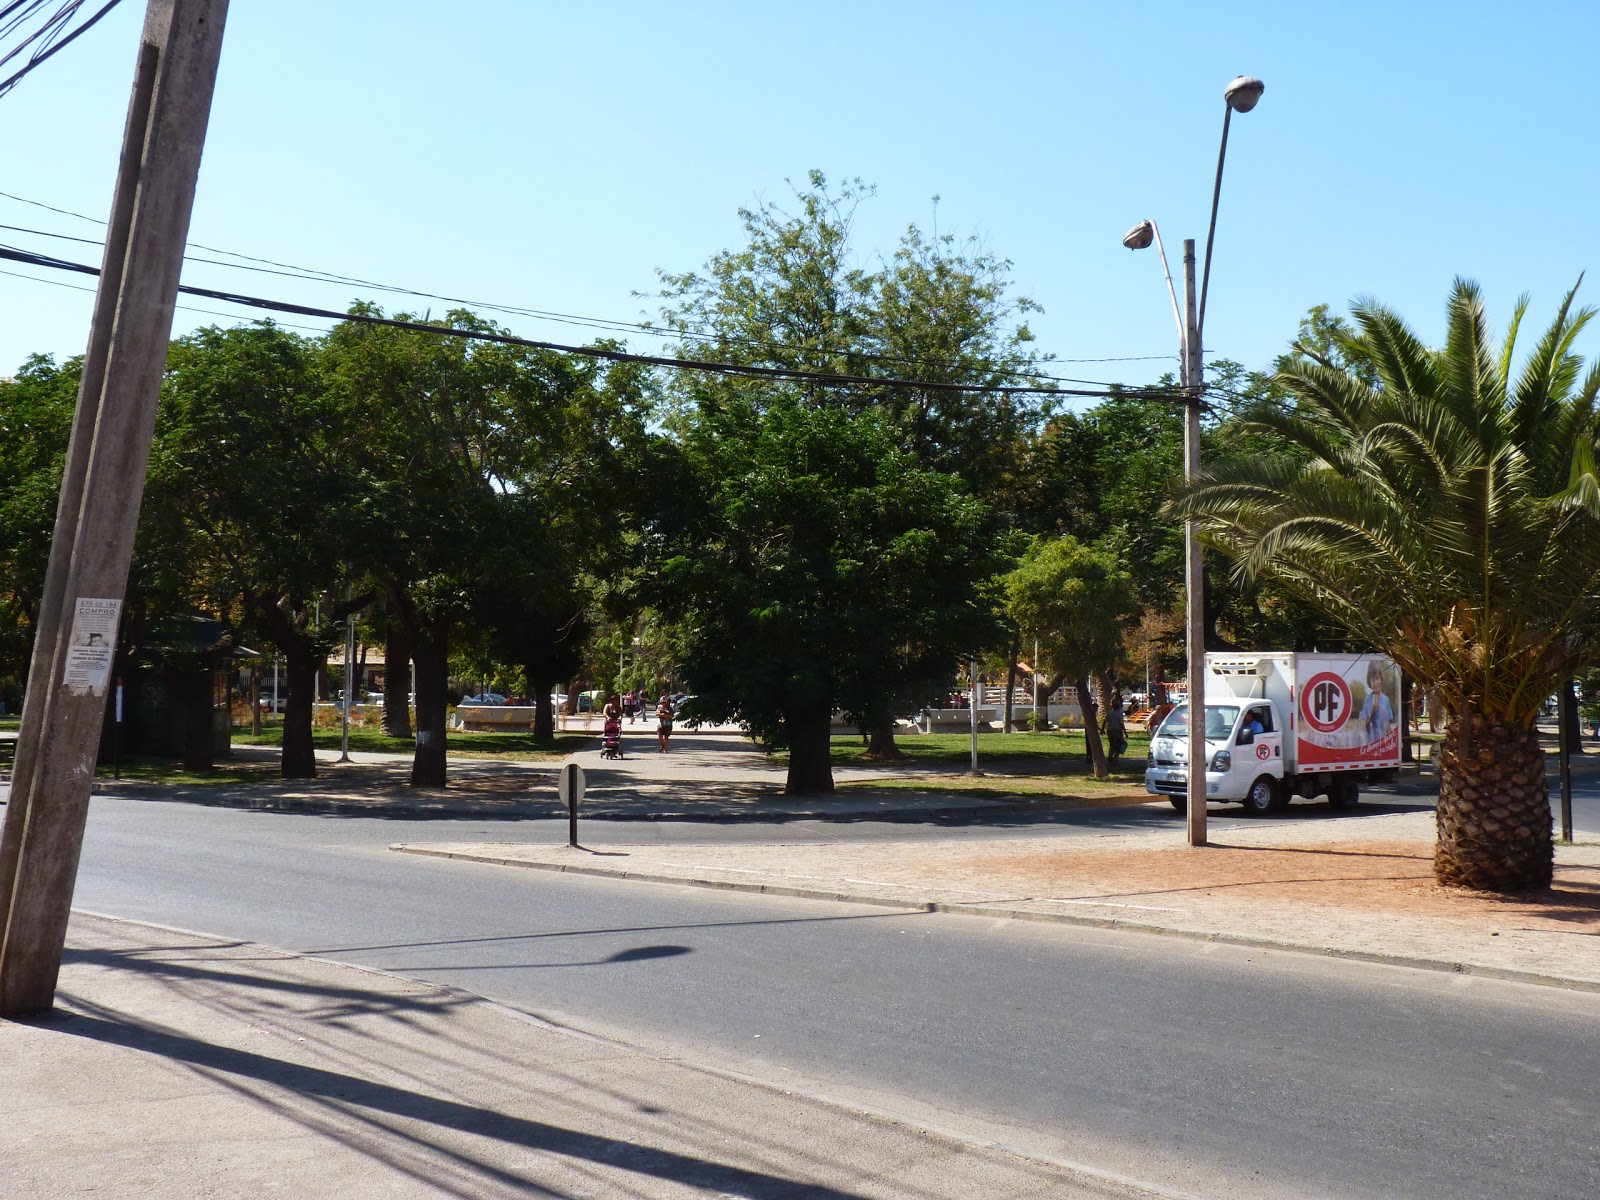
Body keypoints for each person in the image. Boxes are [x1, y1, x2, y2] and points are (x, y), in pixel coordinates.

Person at [1359, 661, 1394, 745]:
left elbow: (1388, 725)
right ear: (1369, 682)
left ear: (1381, 679)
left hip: (1384, 743)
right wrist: (1372, 712)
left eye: (1377, 678)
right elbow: (1365, 727)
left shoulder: (1386, 700)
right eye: (1372, 680)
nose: (1375, 683)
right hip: (1372, 744)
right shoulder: (1367, 700)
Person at [1104, 698, 1127, 765]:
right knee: (1118, 745)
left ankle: (1110, 757)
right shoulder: (1119, 714)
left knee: (1112, 745)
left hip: (1110, 730)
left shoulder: (1110, 713)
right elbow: (1121, 724)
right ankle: (1115, 760)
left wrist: (1102, 729)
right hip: (1117, 731)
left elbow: (1105, 721)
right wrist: (1125, 732)